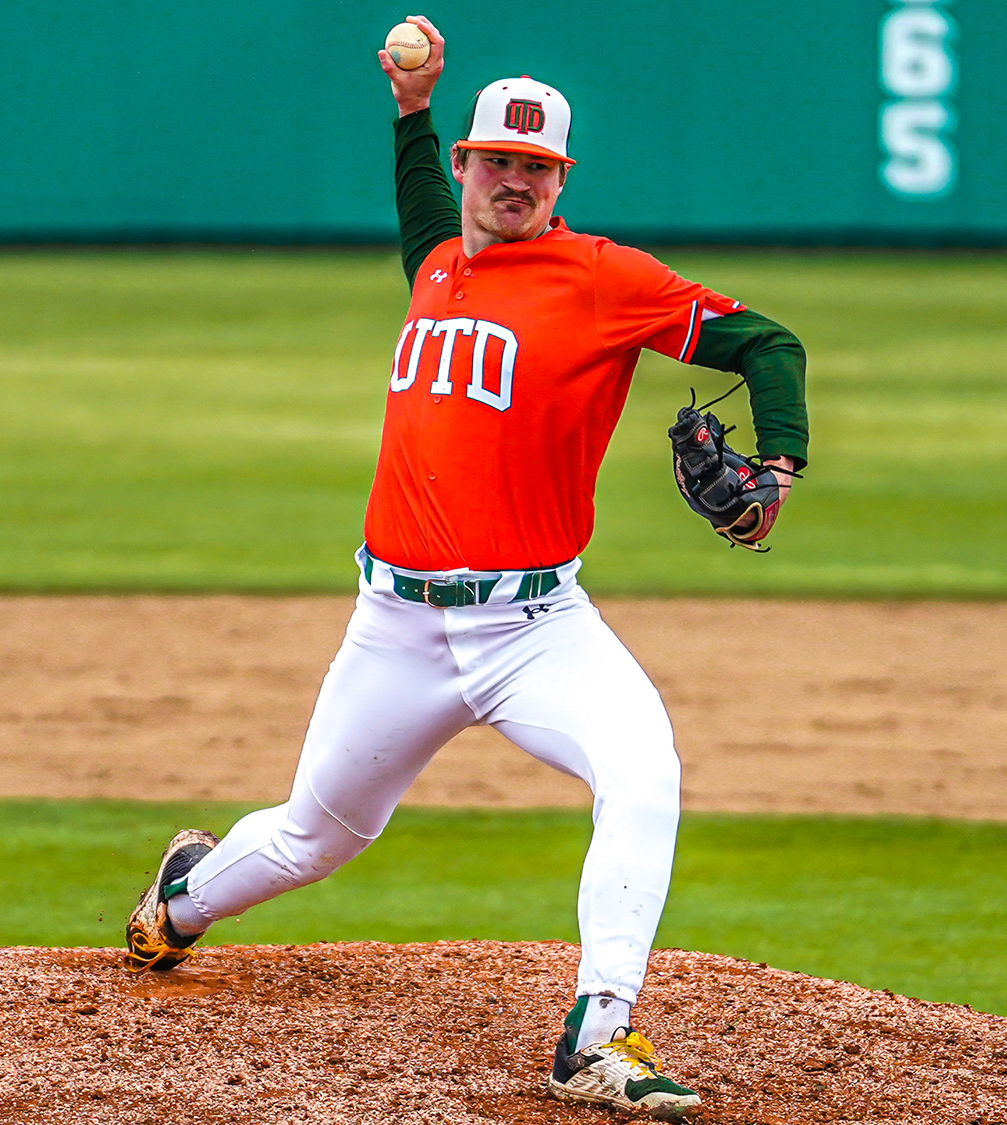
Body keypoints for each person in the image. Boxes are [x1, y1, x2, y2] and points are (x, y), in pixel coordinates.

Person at [124, 15, 807, 1117]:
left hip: (538, 628)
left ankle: (598, 1033)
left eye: (537, 167)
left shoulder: (602, 278)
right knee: (311, 838)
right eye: (497, 161)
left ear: (561, 178)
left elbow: (766, 343)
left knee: (644, 773)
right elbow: (417, 216)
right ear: (465, 165)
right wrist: (409, 110)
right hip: (393, 629)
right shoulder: (438, 263)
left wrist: (777, 465)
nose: (515, 182)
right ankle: (178, 903)